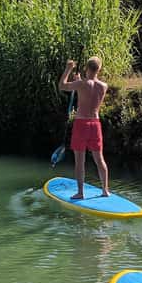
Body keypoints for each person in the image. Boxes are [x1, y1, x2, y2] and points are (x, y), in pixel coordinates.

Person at [58, 56, 110, 199]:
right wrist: (79, 81)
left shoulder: (80, 84)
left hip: (81, 124)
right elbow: (90, 86)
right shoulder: (104, 86)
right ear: (99, 69)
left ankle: (80, 193)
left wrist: (68, 69)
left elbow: (62, 85)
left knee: (80, 161)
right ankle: (105, 190)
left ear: (87, 68)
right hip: (95, 124)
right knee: (100, 159)